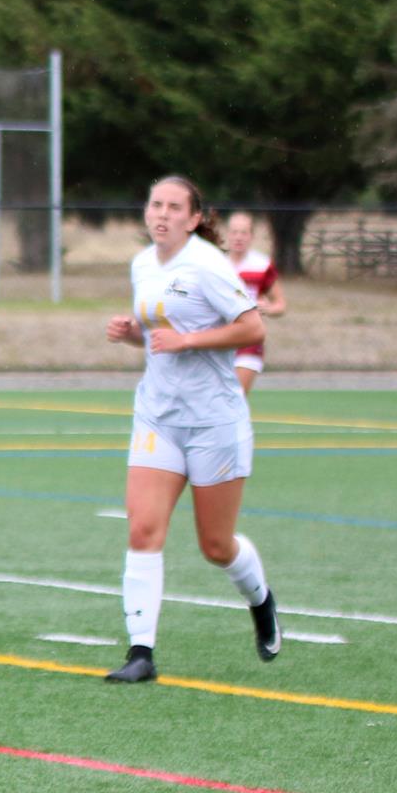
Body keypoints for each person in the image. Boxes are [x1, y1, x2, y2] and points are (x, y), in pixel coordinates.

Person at [102, 176, 282, 683]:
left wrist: (190, 341)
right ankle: (142, 654)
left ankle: (261, 600)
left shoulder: (208, 265)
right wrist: (132, 336)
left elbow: (252, 328)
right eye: (154, 203)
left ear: (194, 217)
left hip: (213, 422)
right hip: (158, 416)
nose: (161, 214)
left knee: (215, 546)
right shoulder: (142, 264)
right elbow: (160, 336)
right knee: (142, 529)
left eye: (173, 207)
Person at [224, 212, 287, 395]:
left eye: (244, 233)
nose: (238, 237)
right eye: (234, 232)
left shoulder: (261, 265)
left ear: (251, 236)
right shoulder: (217, 265)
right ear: (227, 234)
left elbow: (281, 305)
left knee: (237, 398)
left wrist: (268, 308)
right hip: (219, 339)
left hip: (249, 340)